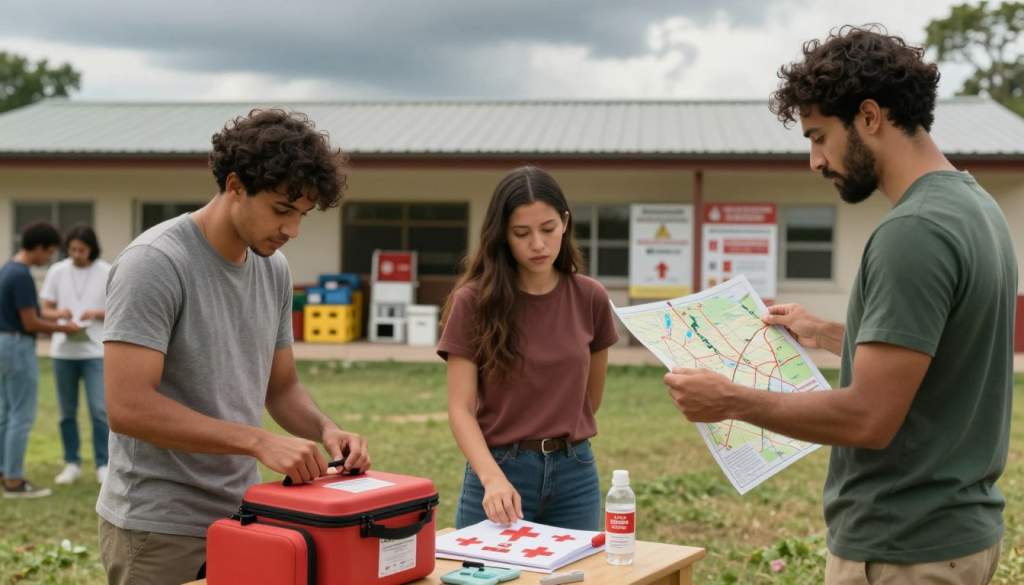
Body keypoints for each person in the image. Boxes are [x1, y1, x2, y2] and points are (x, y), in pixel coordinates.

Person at [663, 26, 1016, 584]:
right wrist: (827, 332)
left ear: (869, 117)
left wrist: (730, 399)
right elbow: (938, 347)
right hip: (956, 534)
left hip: (904, 549)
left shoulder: (914, 231)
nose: (814, 160)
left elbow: (869, 418)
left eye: (819, 136)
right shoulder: (975, 208)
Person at [97, 108, 371, 585]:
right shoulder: (156, 263)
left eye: (302, 215)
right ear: (235, 185)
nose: (292, 231)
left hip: (245, 516)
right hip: (159, 526)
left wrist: (329, 431)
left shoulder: (273, 269)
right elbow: (127, 407)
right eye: (282, 210)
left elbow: (281, 388)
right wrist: (258, 440)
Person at [438, 166, 619, 531]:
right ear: (503, 235)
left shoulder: (591, 297)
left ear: (565, 223)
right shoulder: (473, 301)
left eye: (548, 229)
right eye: (522, 233)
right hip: (499, 471)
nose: (538, 244)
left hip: (576, 475)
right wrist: (491, 477)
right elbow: (460, 410)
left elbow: (588, 400)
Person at [0, 220, 82, 498]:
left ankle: (4, 471)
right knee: (21, 416)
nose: (48, 259)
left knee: (6, 413)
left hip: (3, 343)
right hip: (18, 346)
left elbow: (30, 311)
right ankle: (14, 481)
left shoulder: (8, 269)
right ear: (38, 248)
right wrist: (64, 328)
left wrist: (57, 314)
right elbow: (30, 322)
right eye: (48, 253)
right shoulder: (22, 275)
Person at [40, 225, 111, 485]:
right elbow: (45, 309)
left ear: (91, 248)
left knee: (99, 411)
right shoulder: (58, 271)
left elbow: (118, 308)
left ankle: (103, 464)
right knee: (66, 412)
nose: (76, 254)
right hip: (63, 352)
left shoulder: (106, 271)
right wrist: (60, 314)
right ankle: (72, 463)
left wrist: (95, 314)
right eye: (71, 249)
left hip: (95, 351)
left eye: (81, 249)